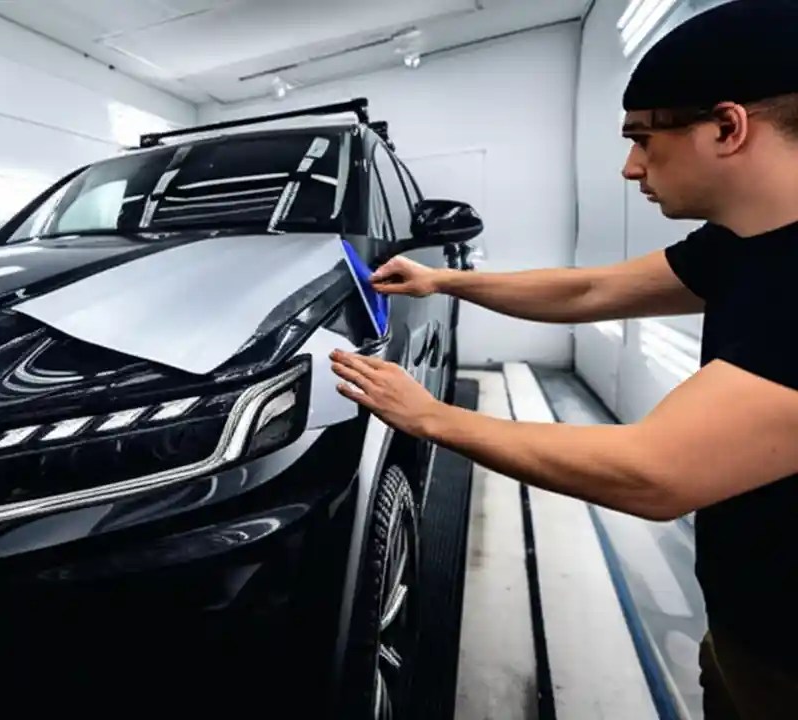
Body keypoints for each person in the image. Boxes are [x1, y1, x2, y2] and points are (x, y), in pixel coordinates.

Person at [329, 1, 798, 717]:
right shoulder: (743, 241)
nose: (629, 166)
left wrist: (427, 416)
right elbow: (590, 289)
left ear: (728, 128)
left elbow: (655, 472)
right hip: (744, 629)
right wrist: (443, 279)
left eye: (644, 138)